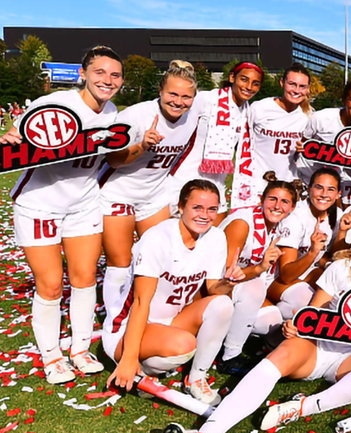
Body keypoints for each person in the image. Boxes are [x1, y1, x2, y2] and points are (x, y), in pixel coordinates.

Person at [162, 216, 351, 433]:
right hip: (316, 347)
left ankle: (299, 408)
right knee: (280, 356)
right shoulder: (342, 268)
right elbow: (314, 313)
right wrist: (296, 325)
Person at [3, 46, 124, 384]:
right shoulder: (53, 104)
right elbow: (17, 142)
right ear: (83, 73)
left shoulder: (113, 113)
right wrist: (11, 139)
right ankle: (52, 355)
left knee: (85, 279)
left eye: (115, 75)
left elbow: (113, 157)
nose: (107, 80)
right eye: (100, 72)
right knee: (52, 284)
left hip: (83, 204)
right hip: (39, 203)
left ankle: (80, 349)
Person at [104, 180, 244, 404]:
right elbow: (141, 302)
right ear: (180, 207)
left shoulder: (216, 237)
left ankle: (196, 378)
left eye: (212, 209)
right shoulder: (158, 238)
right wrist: (128, 359)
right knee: (184, 345)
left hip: (172, 321)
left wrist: (229, 282)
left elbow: (214, 290)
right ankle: (144, 367)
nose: (205, 215)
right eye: (197, 207)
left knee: (223, 304)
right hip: (130, 328)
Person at [99, 60, 199, 314]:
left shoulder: (193, 117)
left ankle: (150, 312)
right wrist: (142, 146)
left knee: (160, 257)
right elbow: (112, 160)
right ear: (160, 91)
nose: (179, 101)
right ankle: (114, 320)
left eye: (186, 96)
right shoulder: (136, 115)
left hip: (154, 194)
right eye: (172, 94)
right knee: (120, 264)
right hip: (118, 191)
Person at [216, 173, 299, 375]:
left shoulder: (276, 226)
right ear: (262, 199)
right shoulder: (242, 223)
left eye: (285, 201)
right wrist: (260, 267)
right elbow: (224, 275)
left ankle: (232, 336)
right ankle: (229, 356)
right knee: (254, 287)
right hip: (214, 286)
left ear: (292, 208)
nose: (277, 206)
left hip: (239, 286)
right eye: (272, 199)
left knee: (269, 323)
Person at [167, 61, 262, 223]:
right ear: (232, 77)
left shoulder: (248, 112)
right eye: (244, 79)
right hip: (185, 178)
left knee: (212, 240)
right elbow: (172, 110)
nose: (249, 87)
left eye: (255, 83)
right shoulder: (206, 99)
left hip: (217, 184)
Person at [267, 168, 343, 325]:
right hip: (273, 276)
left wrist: (342, 232)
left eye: (331, 189)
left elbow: (329, 257)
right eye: (319, 187)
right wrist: (312, 252)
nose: (324, 194)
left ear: (338, 194)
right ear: (308, 189)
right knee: (303, 299)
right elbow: (286, 275)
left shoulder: (337, 215)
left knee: (336, 292)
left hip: (306, 271)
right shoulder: (295, 217)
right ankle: (274, 329)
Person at [231, 63, 311, 211]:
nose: (296, 90)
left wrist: (305, 150)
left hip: (287, 182)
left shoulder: (307, 117)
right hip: (255, 181)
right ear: (282, 83)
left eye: (302, 86)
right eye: (292, 84)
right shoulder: (260, 108)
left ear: (308, 89)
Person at [301, 80, 351, 205]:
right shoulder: (321, 117)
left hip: (347, 183)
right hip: (313, 179)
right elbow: (303, 142)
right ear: (344, 100)